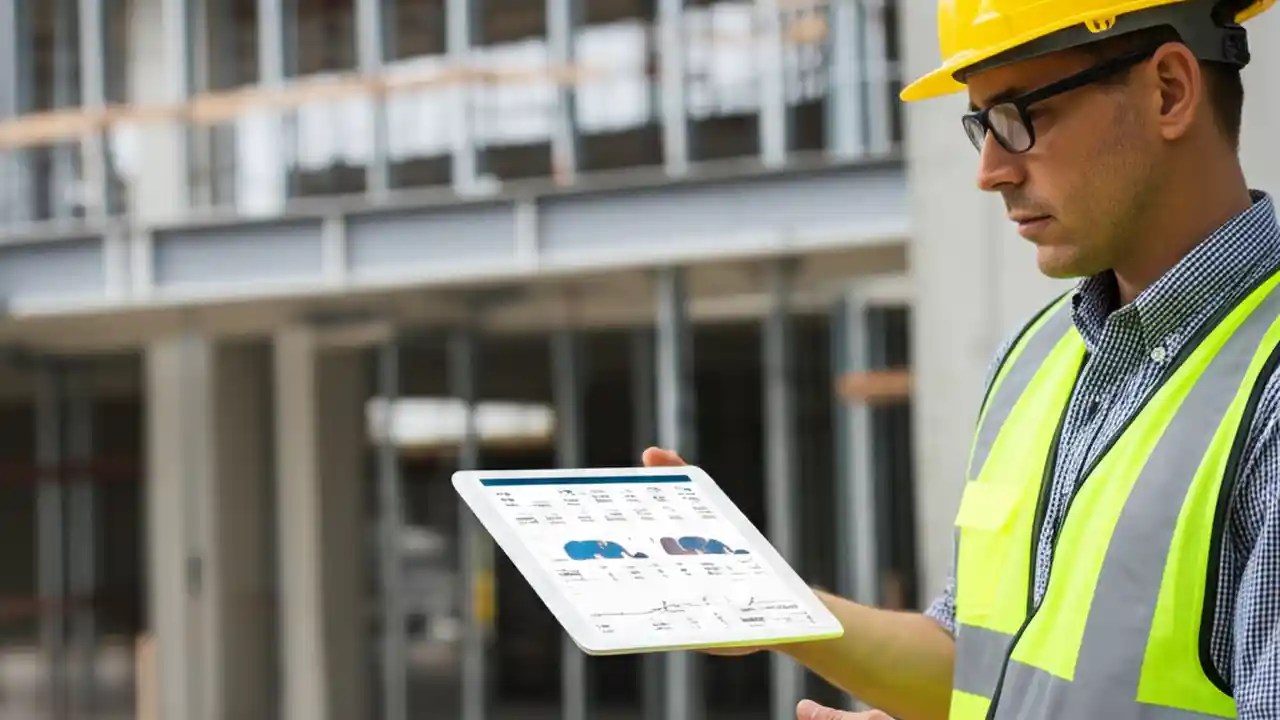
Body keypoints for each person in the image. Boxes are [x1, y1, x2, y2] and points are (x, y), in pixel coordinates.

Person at [646, 0, 1280, 718]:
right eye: (981, 124)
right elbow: (979, 666)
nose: (990, 171)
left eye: (1018, 116)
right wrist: (765, 599)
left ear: (1168, 90)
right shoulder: (1035, 360)